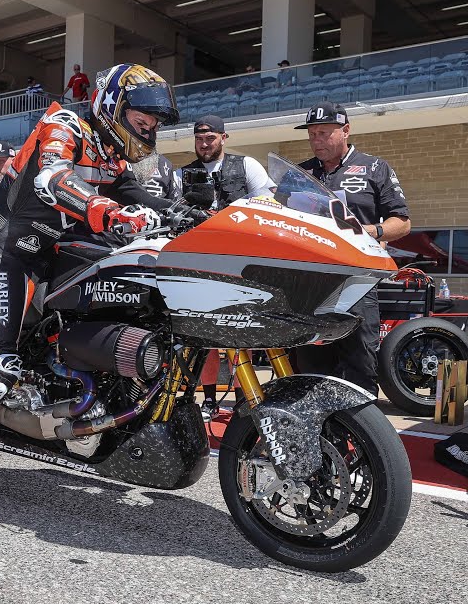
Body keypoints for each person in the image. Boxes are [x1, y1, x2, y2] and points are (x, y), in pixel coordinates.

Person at [0, 63, 179, 529]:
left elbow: (145, 197)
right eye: (143, 117)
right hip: (11, 247)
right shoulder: (64, 126)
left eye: (155, 122)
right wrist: (109, 213)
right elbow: (52, 179)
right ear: (113, 104)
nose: (150, 127)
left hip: (58, 252)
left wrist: (199, 214)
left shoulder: (114, 158)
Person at [290, 101, 411, 396]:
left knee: (360, 364)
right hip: (311, 285)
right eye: (312, 134)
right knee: (309, 367)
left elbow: (403, 223)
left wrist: (369, 231)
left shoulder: (375, 167)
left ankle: (362, 436)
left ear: (345, 130)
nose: (317, 140)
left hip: (357, 282)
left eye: (324, 133)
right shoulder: (300, 173)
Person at [172, 114, 279, 420]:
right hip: (198, 263)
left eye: (210, 138)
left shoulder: (246, 165)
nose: (204, 145)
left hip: (241, 262)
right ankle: (207, 399)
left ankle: (247, 396)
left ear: (223, 137)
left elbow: (268, 205)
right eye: (199, 139)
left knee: (239, 333)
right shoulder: (182, 174)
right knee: (201, 337)